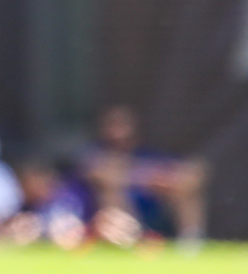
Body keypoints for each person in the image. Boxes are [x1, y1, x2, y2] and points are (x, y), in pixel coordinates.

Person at [79, 104, 206, 250]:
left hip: (152, 207)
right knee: (110, 189)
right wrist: (145, 178)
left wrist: (165, 180)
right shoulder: (95, 152)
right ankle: (130, 241)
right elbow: (101, 175)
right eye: (113, 125)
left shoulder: (147, 154)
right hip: (110, 214)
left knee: (187, 184)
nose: (119, 131)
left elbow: (194, 171)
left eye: (123, 125)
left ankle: (191, 243)